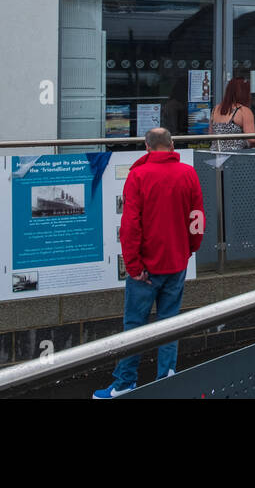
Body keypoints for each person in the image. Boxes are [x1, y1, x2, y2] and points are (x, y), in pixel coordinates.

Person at [93, 127, 204, 398]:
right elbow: (197, 216)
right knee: (169, 324)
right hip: (176, 263)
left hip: (145, 269)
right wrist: (189, 249)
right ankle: (167, 379)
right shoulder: (188, 173)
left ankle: (124, 384)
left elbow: (129, 226)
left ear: (147, 146)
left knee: (134, 326)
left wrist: (133, 266)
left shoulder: (138, 176)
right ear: (172, 145)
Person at [210, 77, 255, 152]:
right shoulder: (243, 111)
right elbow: (252, 139)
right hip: (236, 158)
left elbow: (211, 134)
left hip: (214, 155)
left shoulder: (216, 109)